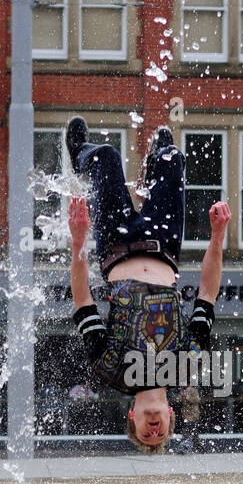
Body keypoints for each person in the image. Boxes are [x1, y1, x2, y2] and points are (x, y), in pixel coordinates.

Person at [67, 117, 228, 454]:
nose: (153, 431)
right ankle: (157, 159)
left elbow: (82, 301)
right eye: (160, 434)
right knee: (173, 158)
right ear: (170, 415)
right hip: (164, 244)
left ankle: (78, 151)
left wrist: (78, 239)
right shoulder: (187, 363)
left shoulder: (111, 369)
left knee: (106, 156)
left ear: (133, 416)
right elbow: (207, 294)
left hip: (115, 243)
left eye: (144, 434)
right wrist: (218, 236)